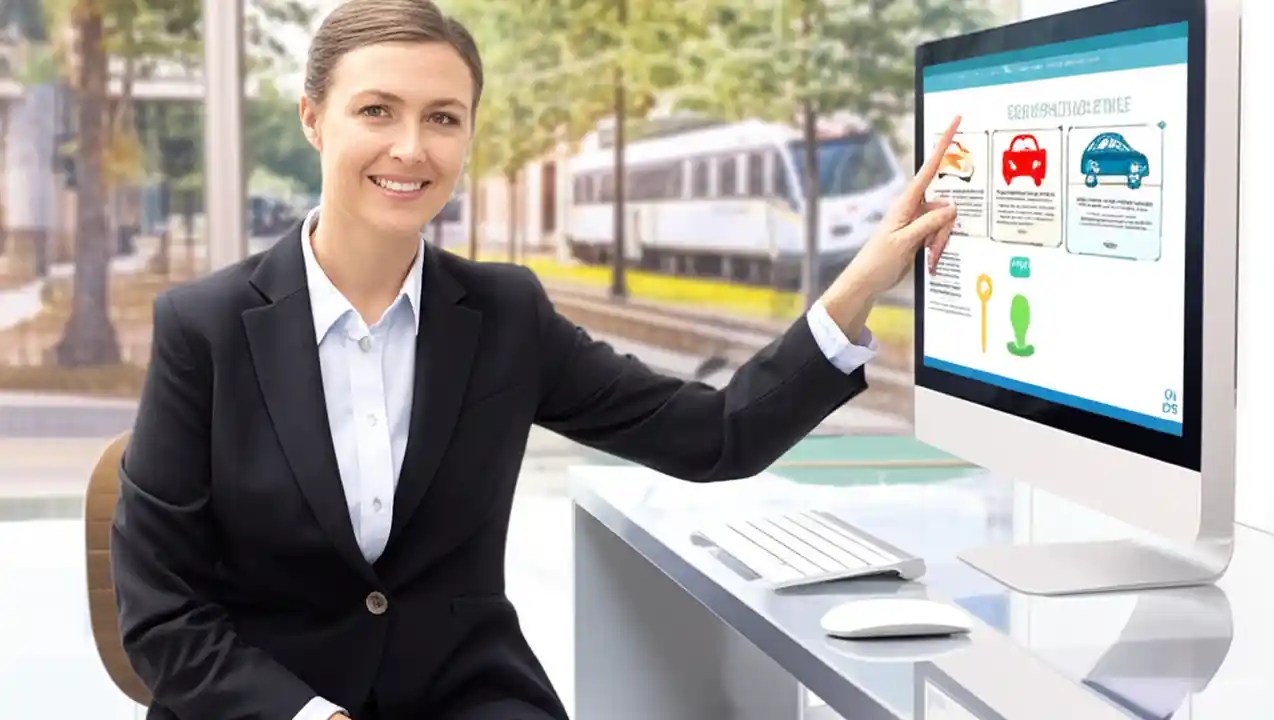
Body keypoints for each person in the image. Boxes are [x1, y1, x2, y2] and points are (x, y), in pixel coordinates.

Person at [110, 1, 960, 718]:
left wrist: (860, 281)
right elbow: (161, 613)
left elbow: (715, 435)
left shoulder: (504, 315)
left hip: (464, 697)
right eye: (376, 111)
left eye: (443, 118)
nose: (411, 148)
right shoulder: (204, 328)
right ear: (312, 119)